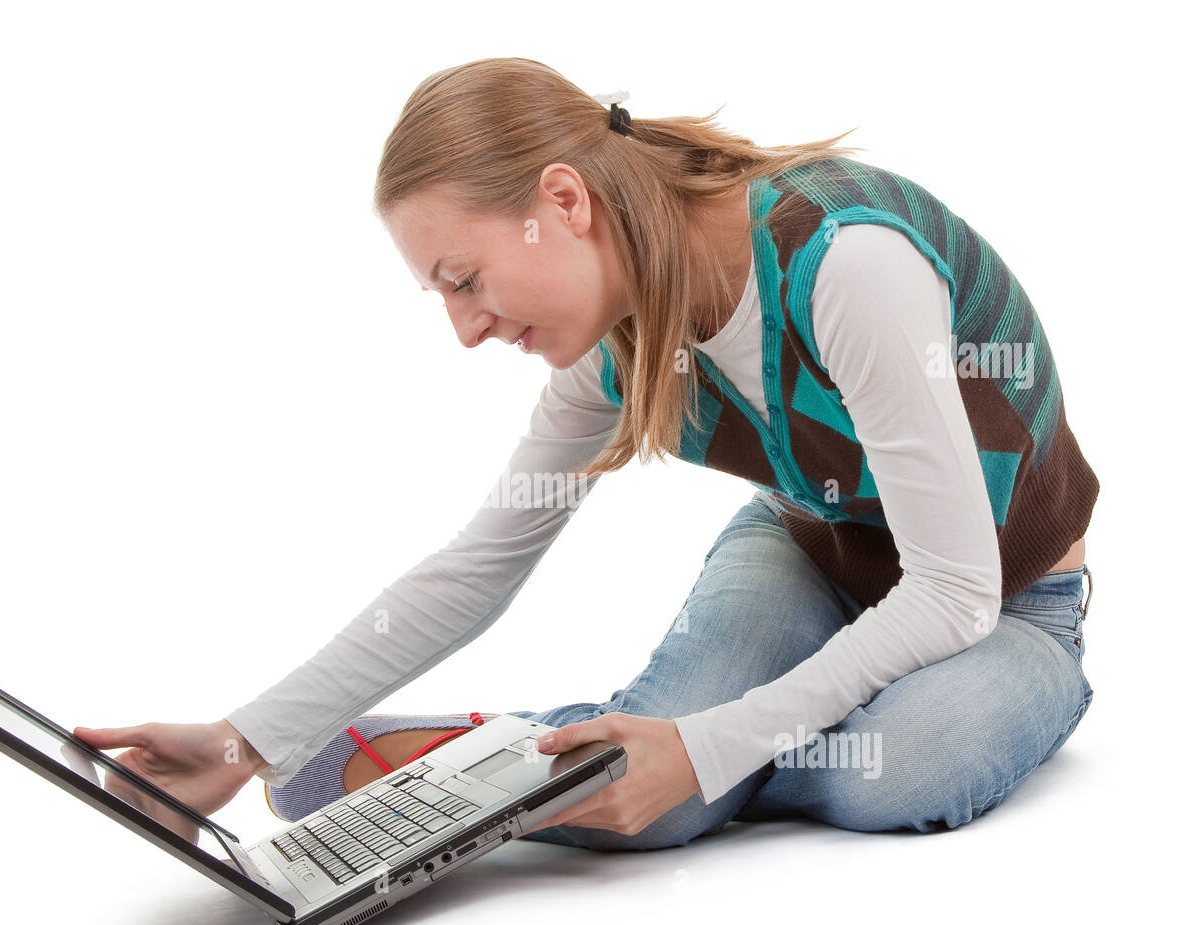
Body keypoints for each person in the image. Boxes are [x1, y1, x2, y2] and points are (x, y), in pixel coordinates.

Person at [75, 58, 1098, 852]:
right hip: (810, 557)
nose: (464, 328)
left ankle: (534, 760)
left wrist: (701, 749)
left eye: (463, 278)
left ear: (562, 201)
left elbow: (954, 588)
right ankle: (595, 760)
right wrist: (242, 738)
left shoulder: (845, 259)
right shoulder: (604, 356)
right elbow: (475, 569)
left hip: (1003, 602)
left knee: (904, 766)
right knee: (656, 795)